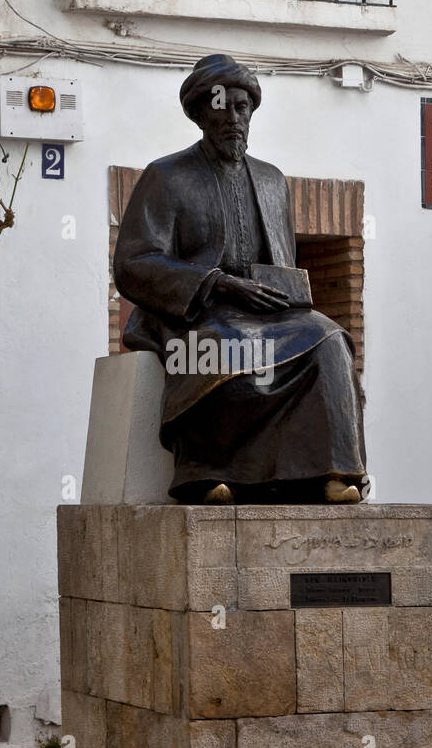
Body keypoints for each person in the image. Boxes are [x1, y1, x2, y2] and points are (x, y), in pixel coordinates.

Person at [113, 53, 367, 504]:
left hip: (267, 310)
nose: (233, 118)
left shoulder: (272, 181)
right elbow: (135, 262)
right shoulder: (166, 176)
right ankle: (205, 473)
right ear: (199, 113)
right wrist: (216, 283)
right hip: (196, 308)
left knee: (329, 339)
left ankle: (331, 472)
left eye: (241, 107)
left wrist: (283, 294)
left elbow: (284, 260)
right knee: (225, 347)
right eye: (221, 107)